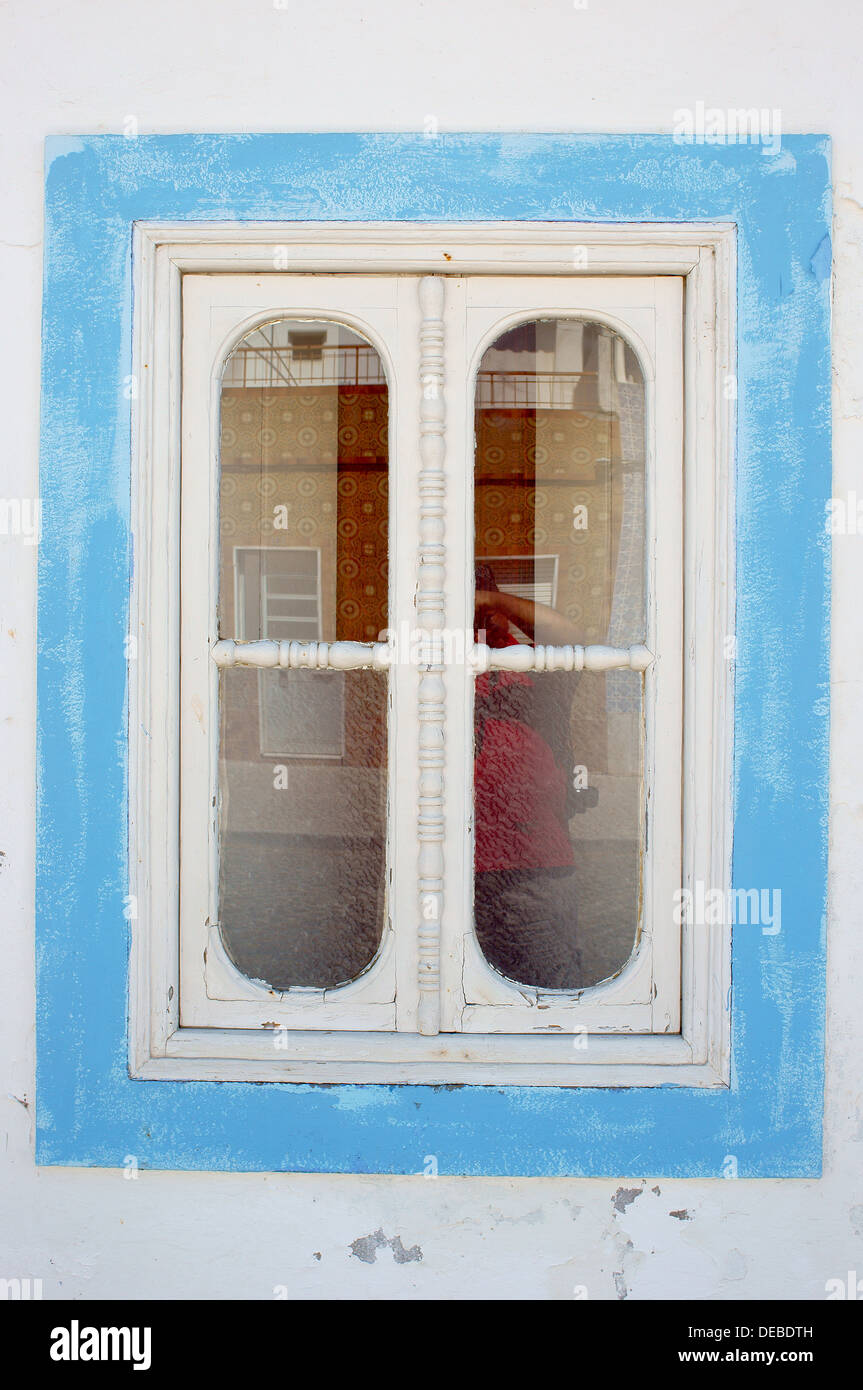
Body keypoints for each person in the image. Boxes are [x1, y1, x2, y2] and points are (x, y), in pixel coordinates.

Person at [473, 564, 583, 989]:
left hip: (534, 869)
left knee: (551, 993)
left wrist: (494, 604)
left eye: (480, 604)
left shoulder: (531, 668)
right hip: (443, 869)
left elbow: (571, 640)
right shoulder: (429, 666)